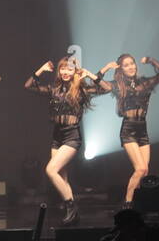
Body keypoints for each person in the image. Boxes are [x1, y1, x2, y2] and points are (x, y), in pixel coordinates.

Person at [24, 57, 111, 225]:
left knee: (50, 170)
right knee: (62, 178)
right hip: (57, 136)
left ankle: (71, 206)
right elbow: (28, 86)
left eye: (69, 69)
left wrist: (91, 75)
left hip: (72, 136)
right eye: (63, 69)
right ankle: (73, 215)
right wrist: (41, 69)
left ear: (75, 72)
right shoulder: (53, 89)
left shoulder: (81, 89)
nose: (65, 72)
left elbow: (107, 88)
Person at [98, 54, 159, 206]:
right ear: (121, 69)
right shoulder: (118, 85)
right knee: (140, 168)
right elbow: (98, 82)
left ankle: (138, 204)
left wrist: (151, 60)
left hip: (142, 130)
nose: (131, 67)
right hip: (128, 130)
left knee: (144, 172)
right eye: (126, 65)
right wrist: (105, 68)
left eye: (132, 64)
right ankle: (127, 203)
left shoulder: (144, 83)